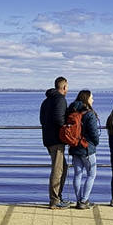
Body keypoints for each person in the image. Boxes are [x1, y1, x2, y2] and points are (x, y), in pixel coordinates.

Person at [40, 77, 69, 209]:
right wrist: (68, 128)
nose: (67, 90)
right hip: (56, 139)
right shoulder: (60, 99)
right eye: (67, 87)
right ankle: (55, 200)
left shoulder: (46, 101)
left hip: (47, 137)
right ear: (64, 87)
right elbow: (59, 119)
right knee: (58, 169)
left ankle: (58, 197)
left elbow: (41, 119)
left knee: (63, 167)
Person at [67, 90, 100, 209]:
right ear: (87, 99)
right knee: (91, 174)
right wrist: (96, 143)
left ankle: (78, 200)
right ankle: (84, 200)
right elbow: (93, 133)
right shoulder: (89, 114)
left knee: (77, 175)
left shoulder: (72, 110)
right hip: (87, 148)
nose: (93, 100)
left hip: (74, 146)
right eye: (92, 97)